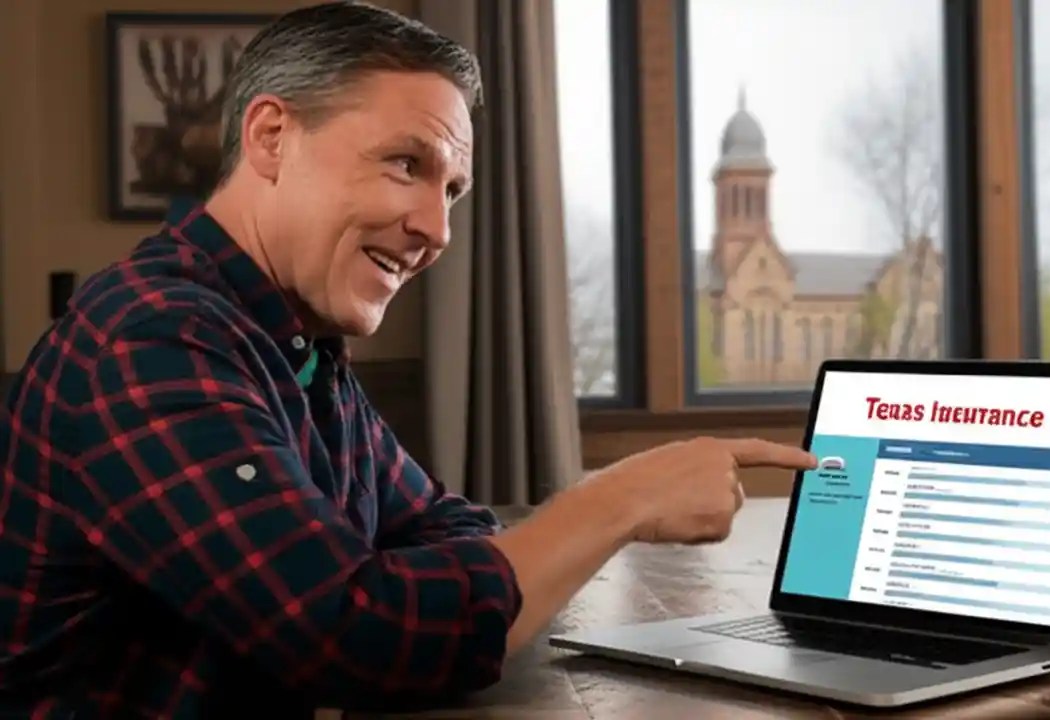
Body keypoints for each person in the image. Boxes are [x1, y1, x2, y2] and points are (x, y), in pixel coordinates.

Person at [0, 2, 816, 717]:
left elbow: (441, 526)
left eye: (452, 190)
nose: (437, 230)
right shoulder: (150, 342)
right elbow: (358, 638)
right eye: (406, 164)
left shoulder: (295, 342)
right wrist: (621, 498)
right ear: (272, 137)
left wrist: (432, 582)